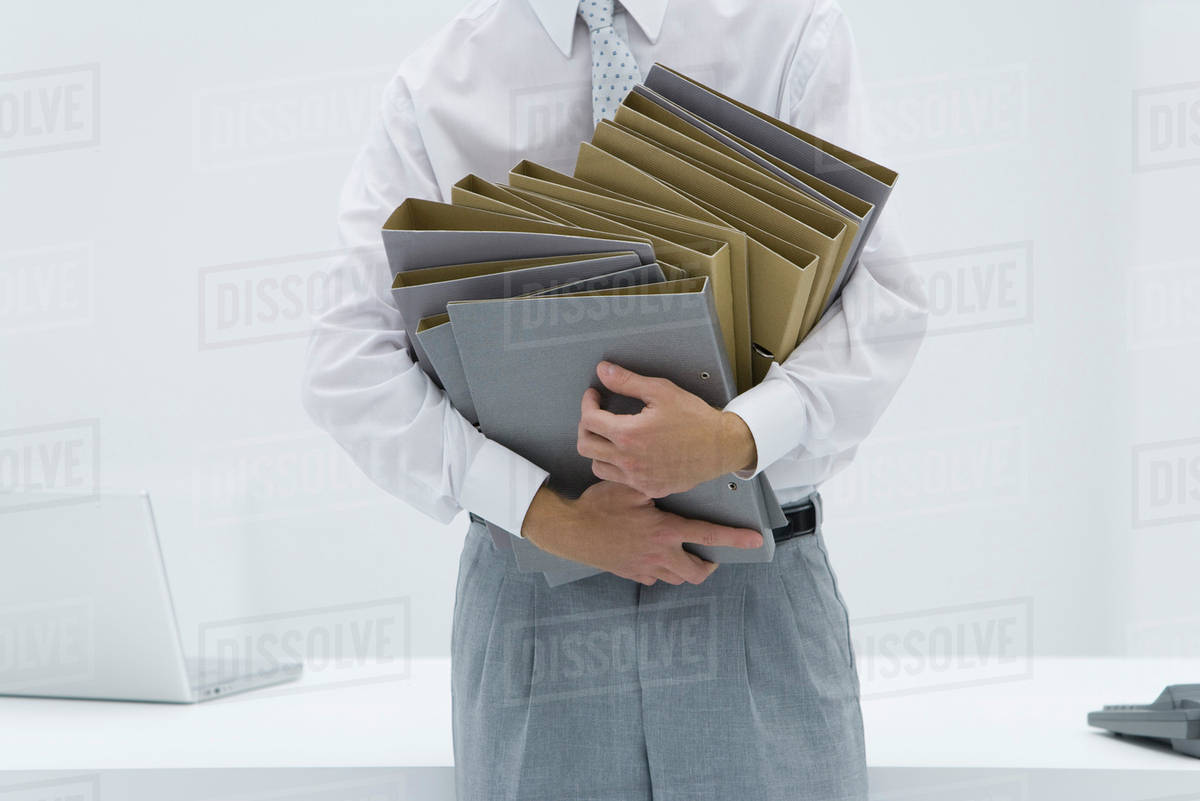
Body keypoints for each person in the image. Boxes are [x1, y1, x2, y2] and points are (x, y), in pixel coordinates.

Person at [301, 0, 929, 798]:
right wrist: (543, 513)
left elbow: (884, 300)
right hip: (535, 602)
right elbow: (344, 356)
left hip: (753, 586)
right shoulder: (434, 85)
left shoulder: (790, 31)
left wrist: (735, 436)